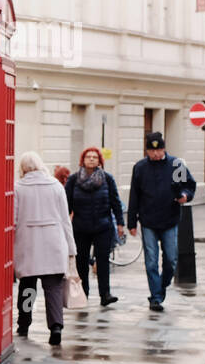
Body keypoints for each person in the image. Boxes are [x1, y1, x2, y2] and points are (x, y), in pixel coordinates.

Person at [126, 131, 197, 312]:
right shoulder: (140, 167)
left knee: (171, 260)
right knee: (151, 261)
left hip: (170, 219)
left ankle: (161, 286)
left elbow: (188, 185)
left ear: (164, 148)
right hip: (148, 220)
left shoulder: (176, 165)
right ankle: (156, 297)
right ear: (147, 151)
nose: (156, 154)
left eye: (159, 150)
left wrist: (184, 196)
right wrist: (131, 222)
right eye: (151, 151)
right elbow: (134, 195)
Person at [13, 151, 76, 345]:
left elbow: (13, 220)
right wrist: (71, 249)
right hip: (54, 243)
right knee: (53, 289)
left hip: (28, 243)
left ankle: (24, 323)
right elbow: (66, 220)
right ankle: (56, 326)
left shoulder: (17, 187)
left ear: (22, 168)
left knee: (28, 287)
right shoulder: (56, 186)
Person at [65, 146, 126, 306]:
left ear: (99, 161)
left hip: (103, 226)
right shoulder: (73, 180)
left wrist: (120, 223)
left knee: (103, 261)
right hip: (80, 227)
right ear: (82, 160)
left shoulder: (107, 178)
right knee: (82, 262)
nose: (91, 159)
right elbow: (66, 204)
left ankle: (105, 294)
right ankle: (83, 292)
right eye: (88, 157)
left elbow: (115, 202)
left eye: (94, 157)